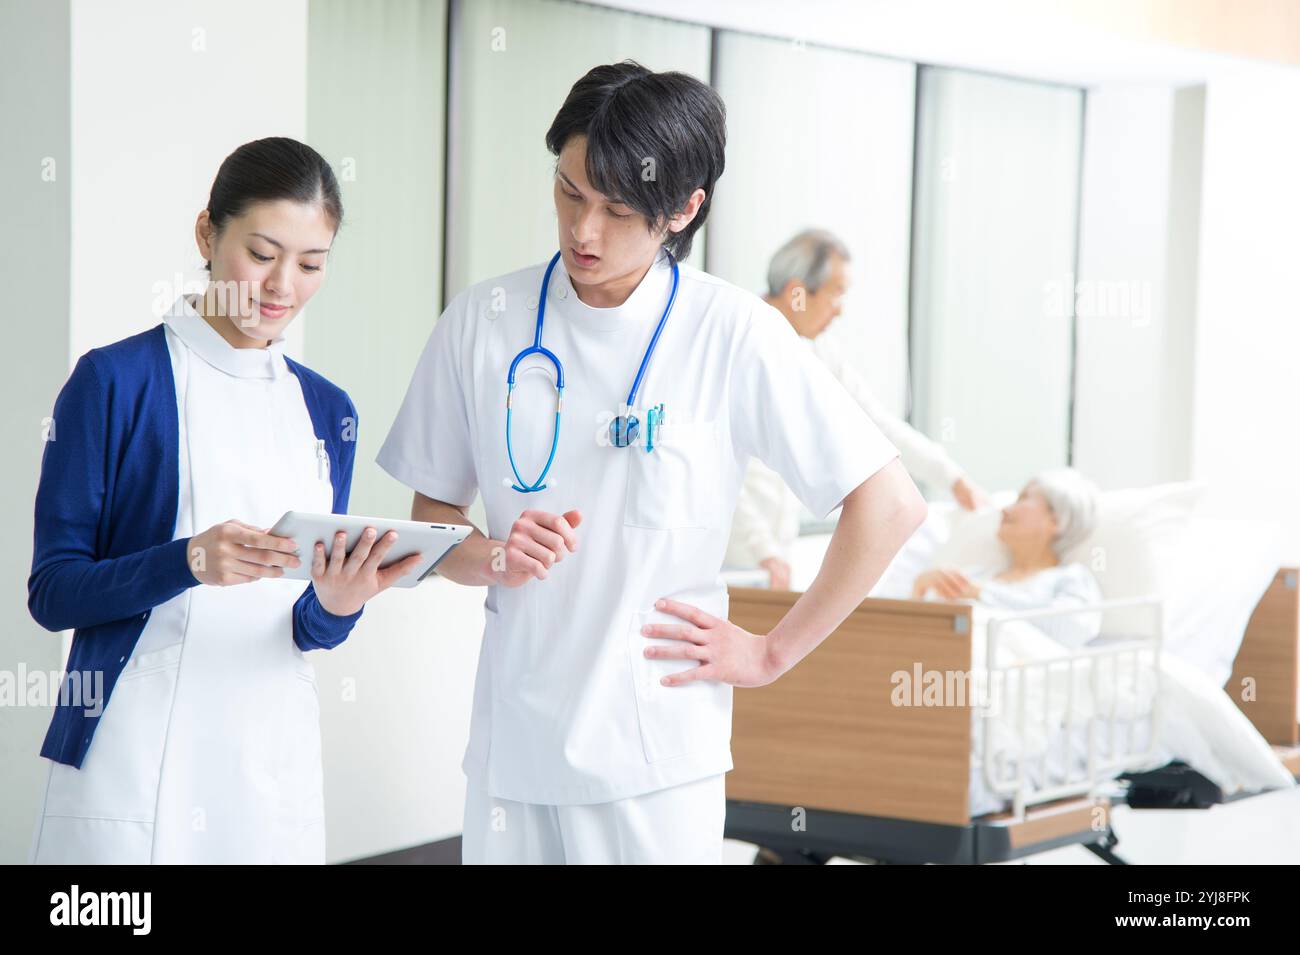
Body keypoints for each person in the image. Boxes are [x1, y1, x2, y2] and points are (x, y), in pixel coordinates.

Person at [377, 61, 927, 865]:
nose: (583, 231)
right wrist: (492, 554)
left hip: (655, 763)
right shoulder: (482, 322)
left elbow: (891, 504)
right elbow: (430, 523)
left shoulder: (731, 332)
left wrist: (772, 653)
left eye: (617, 208)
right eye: (569, 192)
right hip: (513, 752)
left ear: (683, 209)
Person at [27, 137, 422, 864]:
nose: (283, 287)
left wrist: (338, 604)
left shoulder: (325, 409)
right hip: (134, 758)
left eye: (311, 264)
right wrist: (188, 560)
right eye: (263, 253)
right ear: (207, 232)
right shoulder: (115, 382)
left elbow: (303, 630)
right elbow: (53, 593)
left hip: (268, 770)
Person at [726, 229, 987, 590]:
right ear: (797, 293)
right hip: (732, 557)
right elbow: (718, 457)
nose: (840, 309)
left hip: (773, 561)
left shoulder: (820, 352)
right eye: (836, 294)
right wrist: (760, 549)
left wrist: (951, 477)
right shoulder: (736, 342)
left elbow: (875, 424)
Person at [912, 467, 1102, 648]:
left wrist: (982, 594)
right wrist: (920, 590)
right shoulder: (973, 576)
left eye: (1023, 498)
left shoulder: (1071, 578)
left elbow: (1069, 630)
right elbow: (916, 636)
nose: (1004, 510)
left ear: (1056, 520)